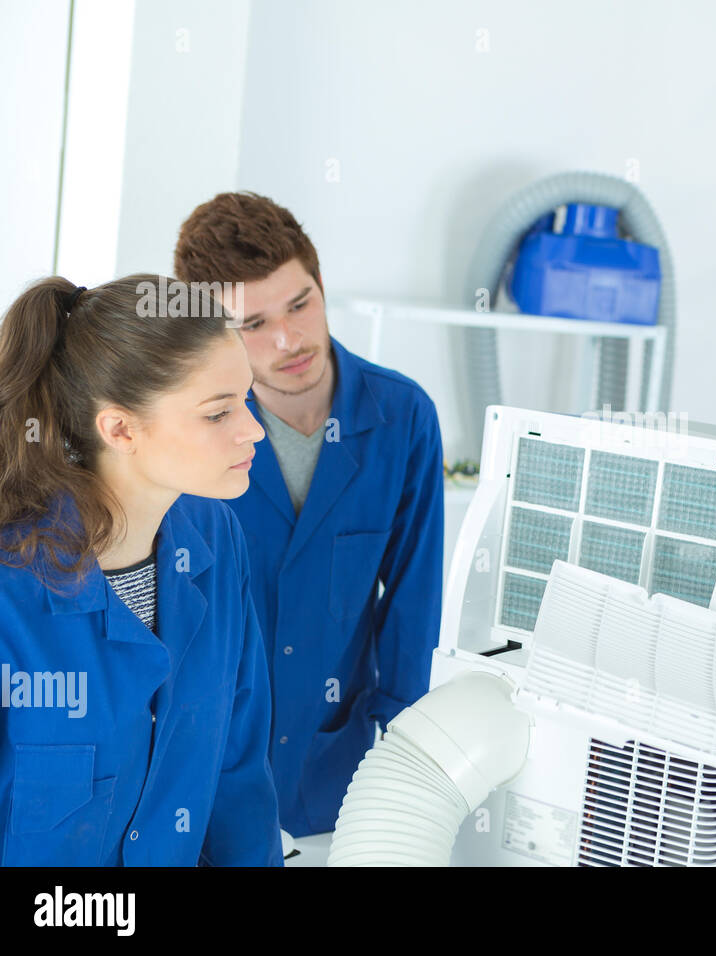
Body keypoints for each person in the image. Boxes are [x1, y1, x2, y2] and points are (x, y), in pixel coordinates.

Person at [0, 275, 282, 866]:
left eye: (246, 399)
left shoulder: (217, 543)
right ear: (120, 429)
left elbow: (237, 773)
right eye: (218, 412)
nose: (253, 430)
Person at [174, 192, 444, 837]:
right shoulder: (185, 432)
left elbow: (413, 602)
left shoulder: (402, 416)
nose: (289, 340)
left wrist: (407, 764)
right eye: (253, 324)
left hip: (337, 768)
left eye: (300, 304)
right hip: (202, 767)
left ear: (321, 283)